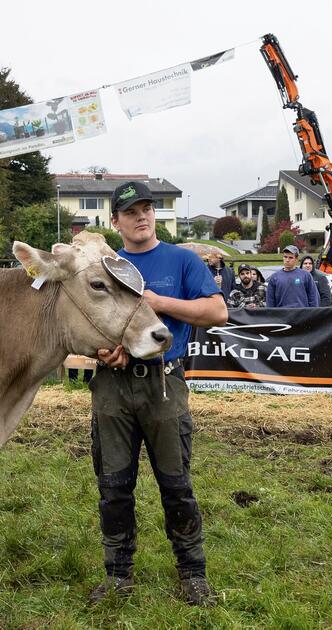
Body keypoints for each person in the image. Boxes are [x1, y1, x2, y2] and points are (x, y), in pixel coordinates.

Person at [88, 181, 227, 606]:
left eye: (147, 208)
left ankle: (193, 574)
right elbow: (86, 319)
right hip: (112, 386)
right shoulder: (107, 266)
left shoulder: (182, 260)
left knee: (175, 482)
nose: (141, 216)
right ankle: (117, 575)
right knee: (113, 485)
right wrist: (101, 350)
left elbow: (217, 311)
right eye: (131, 212)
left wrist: (159, 302)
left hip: (164, 383)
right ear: (116, 221)